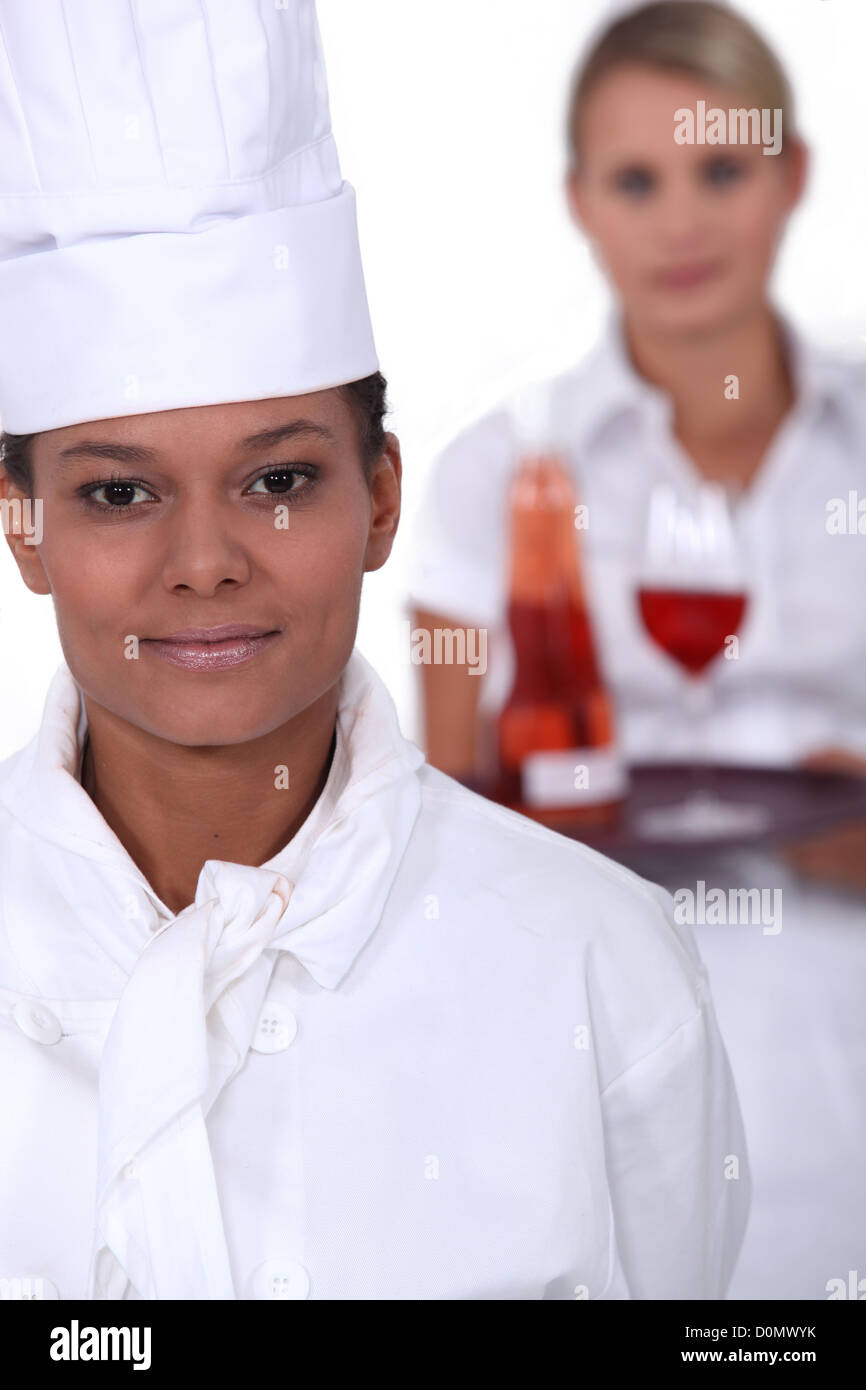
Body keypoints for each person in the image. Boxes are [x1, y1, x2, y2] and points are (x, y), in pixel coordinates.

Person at [0, 0, 747, 1302]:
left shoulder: (596, 961)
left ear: (381, 498)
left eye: (277, 477)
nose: (204, 560)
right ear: (24, 529)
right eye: (119, 492)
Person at [406, 0, 866, 1300]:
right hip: (582, 1039)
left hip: (841, 1045)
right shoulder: (494, 472)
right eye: (635, 179)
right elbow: (437, 828)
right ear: (578, 203)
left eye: (720, 168)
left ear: (793, 176)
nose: (680, 222)